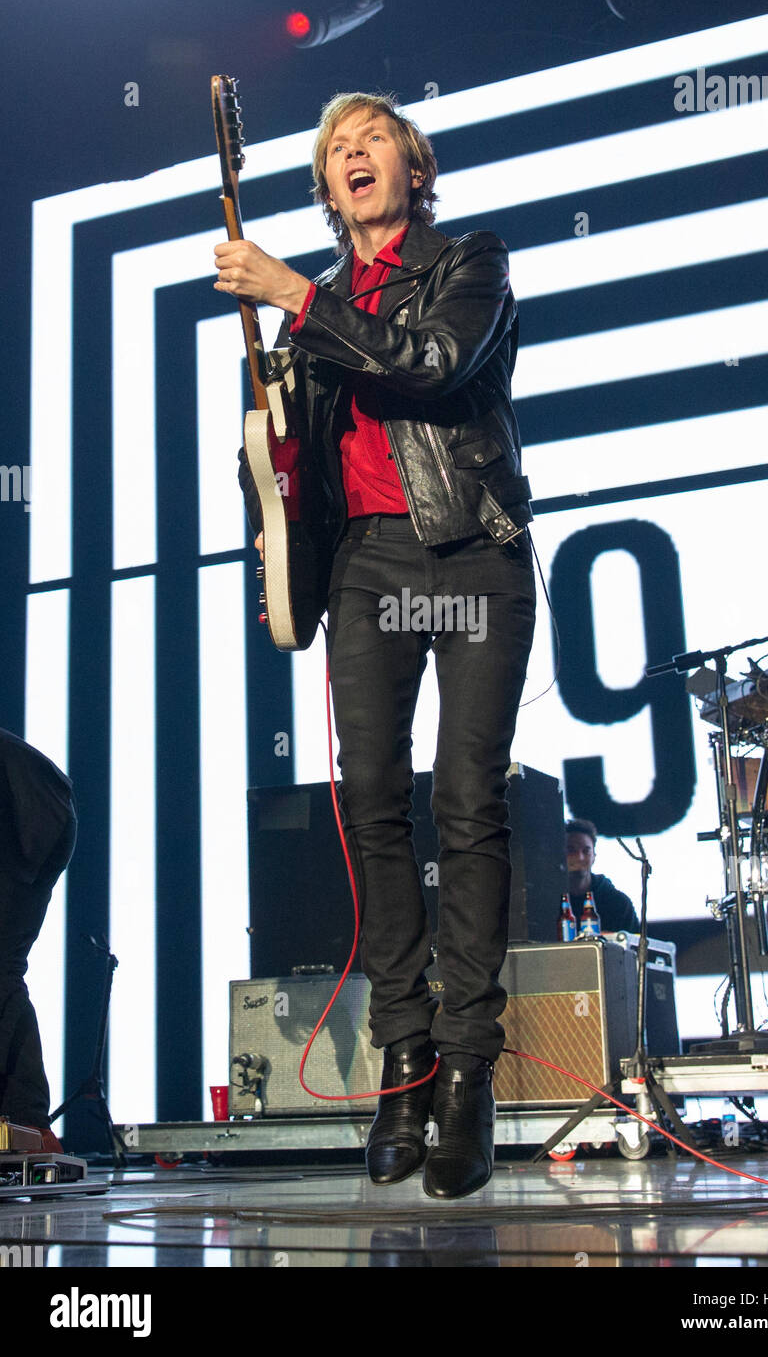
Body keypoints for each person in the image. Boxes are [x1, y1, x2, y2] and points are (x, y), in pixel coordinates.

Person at [215, 91, 535, 1199]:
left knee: (466, 799)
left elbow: (432, 365)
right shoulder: (310, 306)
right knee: (370, 807)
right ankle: (402, 1057)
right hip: (367, 569)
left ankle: (467, 1073)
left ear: (412, 165)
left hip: (469, 556)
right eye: (333, 149)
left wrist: (296, 299)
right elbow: (285, 464)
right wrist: (278, 563)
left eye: (370, 141)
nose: (352, 155)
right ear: (322, 184)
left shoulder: (468, 260)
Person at [0, 728, 77, 1151]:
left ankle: (27, 1118)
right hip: (45, 811)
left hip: (27, 813)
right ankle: (28, 1121)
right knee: (5, 967)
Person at [565, 818, 640, 933]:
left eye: (586, 851)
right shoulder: (547, 901)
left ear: (594, 856)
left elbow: (636, 947)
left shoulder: (618, 904)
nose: (579, 857)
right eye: (571, 850)